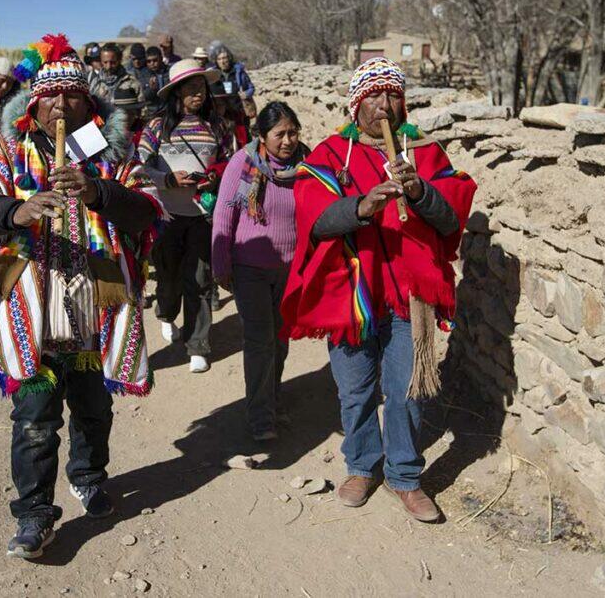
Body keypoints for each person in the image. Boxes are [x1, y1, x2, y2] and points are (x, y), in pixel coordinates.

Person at [0, 33, 162, 560]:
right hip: (29, 306)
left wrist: (98, 192)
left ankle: (88, 477)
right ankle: (34, 515)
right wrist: (14, 212)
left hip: (96, 305)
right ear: (32, 106)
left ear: (88, 107)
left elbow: (146, 211)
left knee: (94, 408)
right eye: (51, 98)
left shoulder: (109, 154)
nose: (62, 106)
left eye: (73, 98)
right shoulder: (5, 152)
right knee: (36, 416)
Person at [281, 57, 477, 523]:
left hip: (411, 296)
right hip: (350, 295)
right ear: (356, 104)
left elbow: (452, 220)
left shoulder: (424, 152)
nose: (384, 105)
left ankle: (406, 475)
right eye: (373, 95)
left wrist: (420, 192)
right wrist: (362, 206)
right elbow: (315, 220)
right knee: (355, 389)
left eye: (392, 95)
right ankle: (363, 465)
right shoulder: (331, 154)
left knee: (408, 389)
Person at [211, 102, 307, 441]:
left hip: (290, 269)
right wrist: (220, 262)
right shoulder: (245, 162)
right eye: (279, 134)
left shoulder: (307, 166)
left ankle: (272, 396)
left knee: (280, 340)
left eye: (292, 132)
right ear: (261, 136)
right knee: (259, 342)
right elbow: (224, 214)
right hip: (249, 267)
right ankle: (260, 417)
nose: (288, 141)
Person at [138, 59, 232, 374]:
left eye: (201, 88)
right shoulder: (156, 127)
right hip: (166, 217)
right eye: (191, 89)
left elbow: (229, 164)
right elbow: (138, 168)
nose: (198, 95)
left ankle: (198, 345)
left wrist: (214, 177)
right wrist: (168, 180)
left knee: (201, 280)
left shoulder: (218, 126)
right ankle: (166, 314)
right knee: (169, 277)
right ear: (176, 93)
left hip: (203, 217)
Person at [90, 43, 143, 107]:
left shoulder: (131, 82)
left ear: (119, 60)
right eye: (105, 62)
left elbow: (142, 107)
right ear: (101, 61)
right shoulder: (96, 83)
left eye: (113, 62)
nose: (109, 66)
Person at [209, 79, 249, 150]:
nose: (216, 109)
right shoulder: (204, 126)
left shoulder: (238, 125)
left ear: (226, 105)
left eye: (220, 105)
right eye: (212, 106)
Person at [142, 46, 169, 118]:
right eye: (149, 61)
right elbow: (144, 97)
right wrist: (151, 89)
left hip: (168, 112)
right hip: (151, 114)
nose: (152, 63)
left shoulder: (169, 72)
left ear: (161, 58)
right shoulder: (144, 74)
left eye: (155, 60)